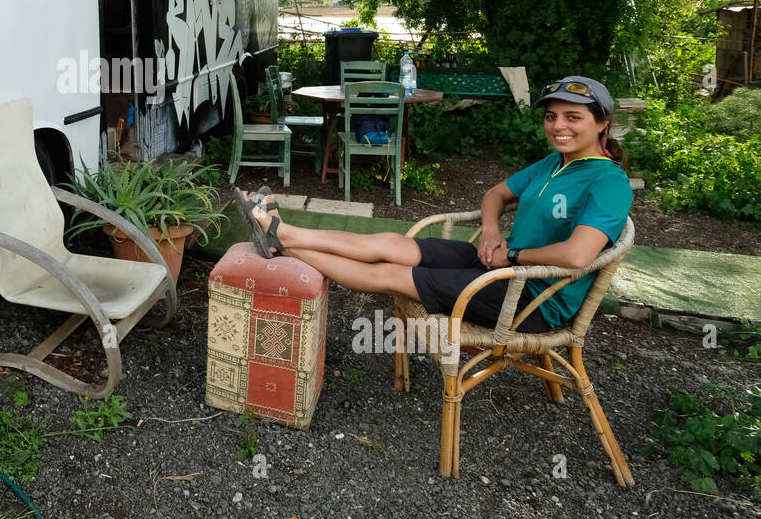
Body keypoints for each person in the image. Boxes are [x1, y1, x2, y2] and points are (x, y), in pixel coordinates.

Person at [234, 76, 633, 332]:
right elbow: (495, 194)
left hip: (531, 298)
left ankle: (281, 243)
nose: (558, 126)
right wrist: (492, 231)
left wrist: (510, 256)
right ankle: (283, 231)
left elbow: (578, 255)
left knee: (389, 274)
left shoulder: (607, 182)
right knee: (391, 242)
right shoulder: (554, 163)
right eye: (551, 116)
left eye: (572, 117)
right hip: (498, 265)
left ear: (602, 123)